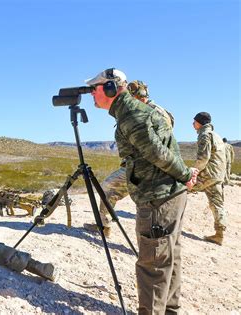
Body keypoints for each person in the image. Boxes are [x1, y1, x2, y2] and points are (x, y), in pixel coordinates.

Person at [86, 68, 198, 314]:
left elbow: (157, 153)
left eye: (94, 88)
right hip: (168, 195)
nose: (91, 94)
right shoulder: (131, 112)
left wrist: (186, 175)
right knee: (169, 259)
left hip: (158, 199)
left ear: (110, 88)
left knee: (152, 266)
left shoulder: (132, 115)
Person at [84, 80, 175, 237]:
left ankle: (106, 227)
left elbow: (155, 143)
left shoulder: (150, 111)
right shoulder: (154, 110)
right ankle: (104, 226)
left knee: (112, 188)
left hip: (147, 168)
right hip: (144, 165)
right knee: (110, 188)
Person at [190, 112, 227, 245]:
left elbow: (203, 158)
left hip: (207, 175)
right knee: (217, 204)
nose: (193, 124)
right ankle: (219, 234)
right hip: (218, 175)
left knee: (180, 189)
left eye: (194, 121)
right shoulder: (216, 136)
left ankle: (166, 220)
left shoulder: (205, 135)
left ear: (199, 123)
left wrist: (194, 173)